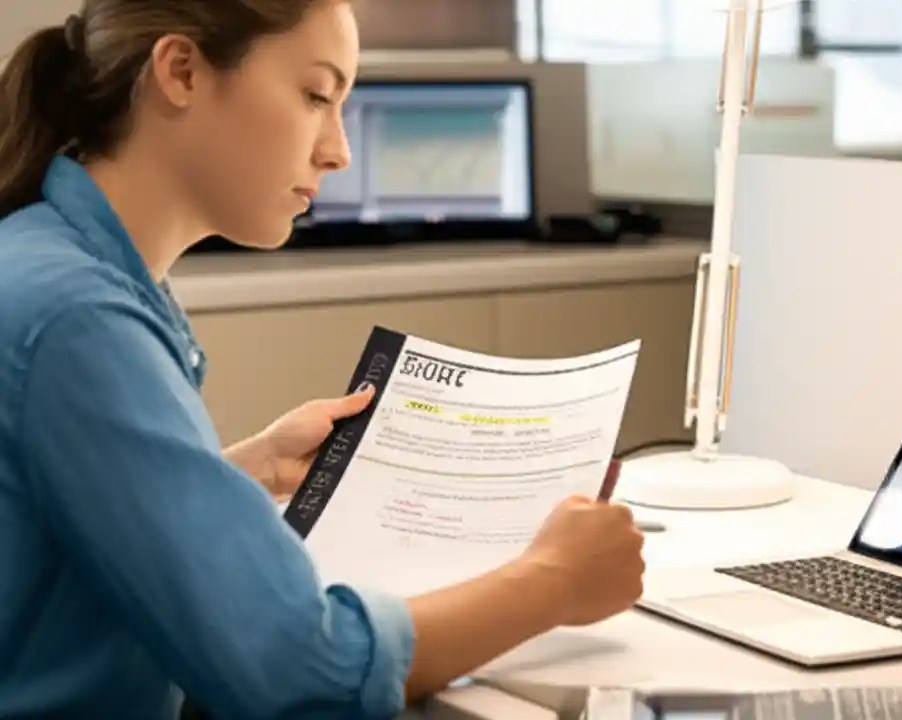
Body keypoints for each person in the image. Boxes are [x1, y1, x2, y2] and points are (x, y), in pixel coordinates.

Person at [0, 1, 646, 718]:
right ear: (180, 71)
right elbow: (299, 672)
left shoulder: (49, 263)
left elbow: (50, 545)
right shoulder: (79, 317)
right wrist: (554, 580)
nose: (338, 150)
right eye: (315, 96)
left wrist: (240, 470)